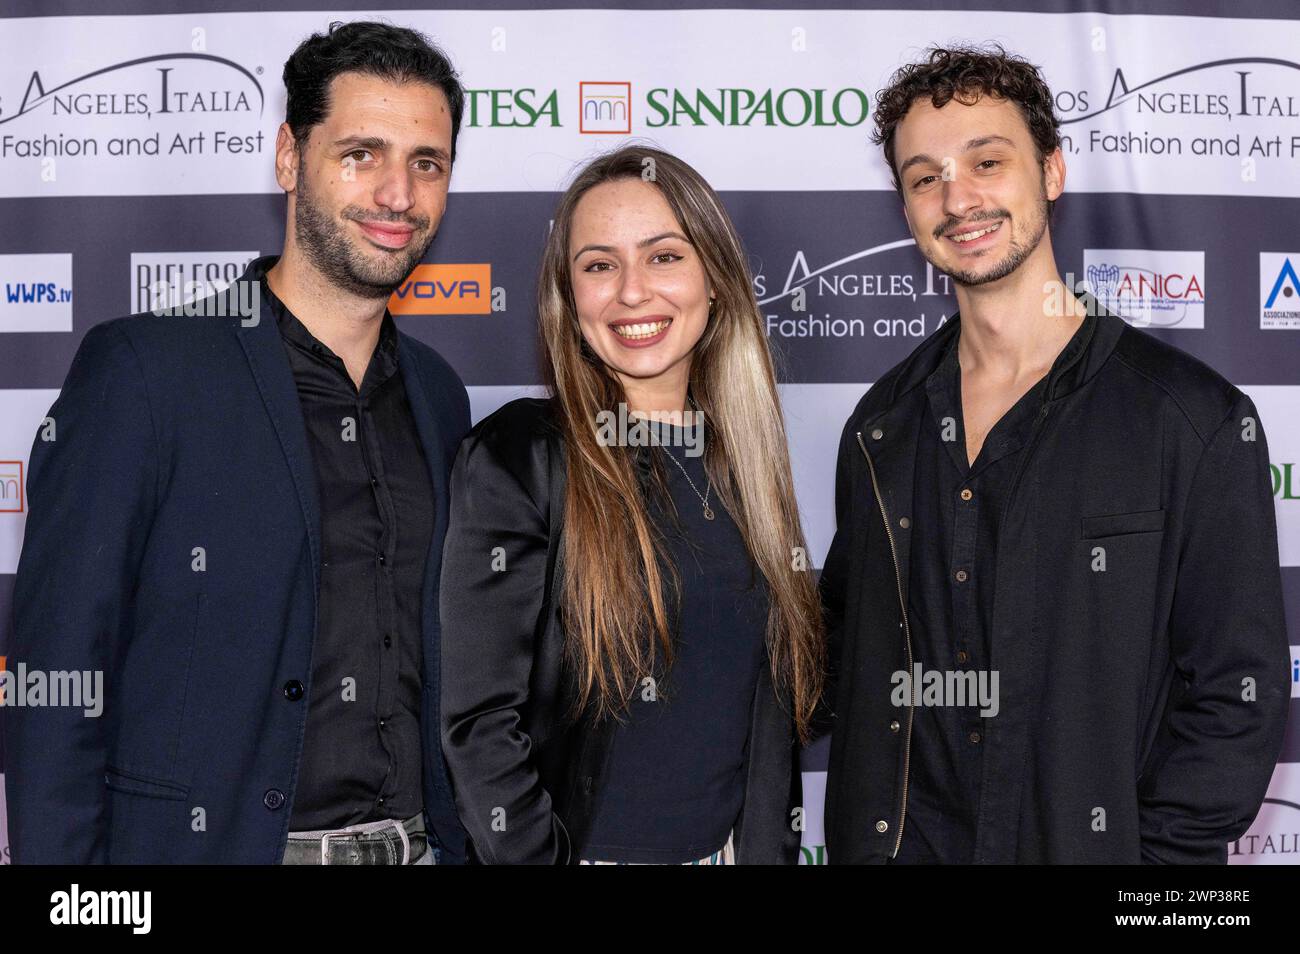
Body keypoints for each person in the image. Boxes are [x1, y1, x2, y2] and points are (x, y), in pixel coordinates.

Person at [5, 21, 472, 865]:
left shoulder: (440, 396)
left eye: (426, 162)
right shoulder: (144, 372)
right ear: (290, 157)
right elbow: (56, 686)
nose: (398, 194)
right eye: (361, 153)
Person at [819, 44, 1290, 864]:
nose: (957, 197)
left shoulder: (1192, 419)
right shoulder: (881, 426)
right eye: (924, 177)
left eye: (987, 161)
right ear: (905, 208)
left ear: (1053, 171)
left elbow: (1235, 700)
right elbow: (844, 651)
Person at [439, 145, 824, 864]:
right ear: (569, 297)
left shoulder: (743, 463)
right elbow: (480, 724)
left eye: (664, 257)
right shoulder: (522, 457)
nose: (632, 291)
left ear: (716, 280)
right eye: (598, 264)